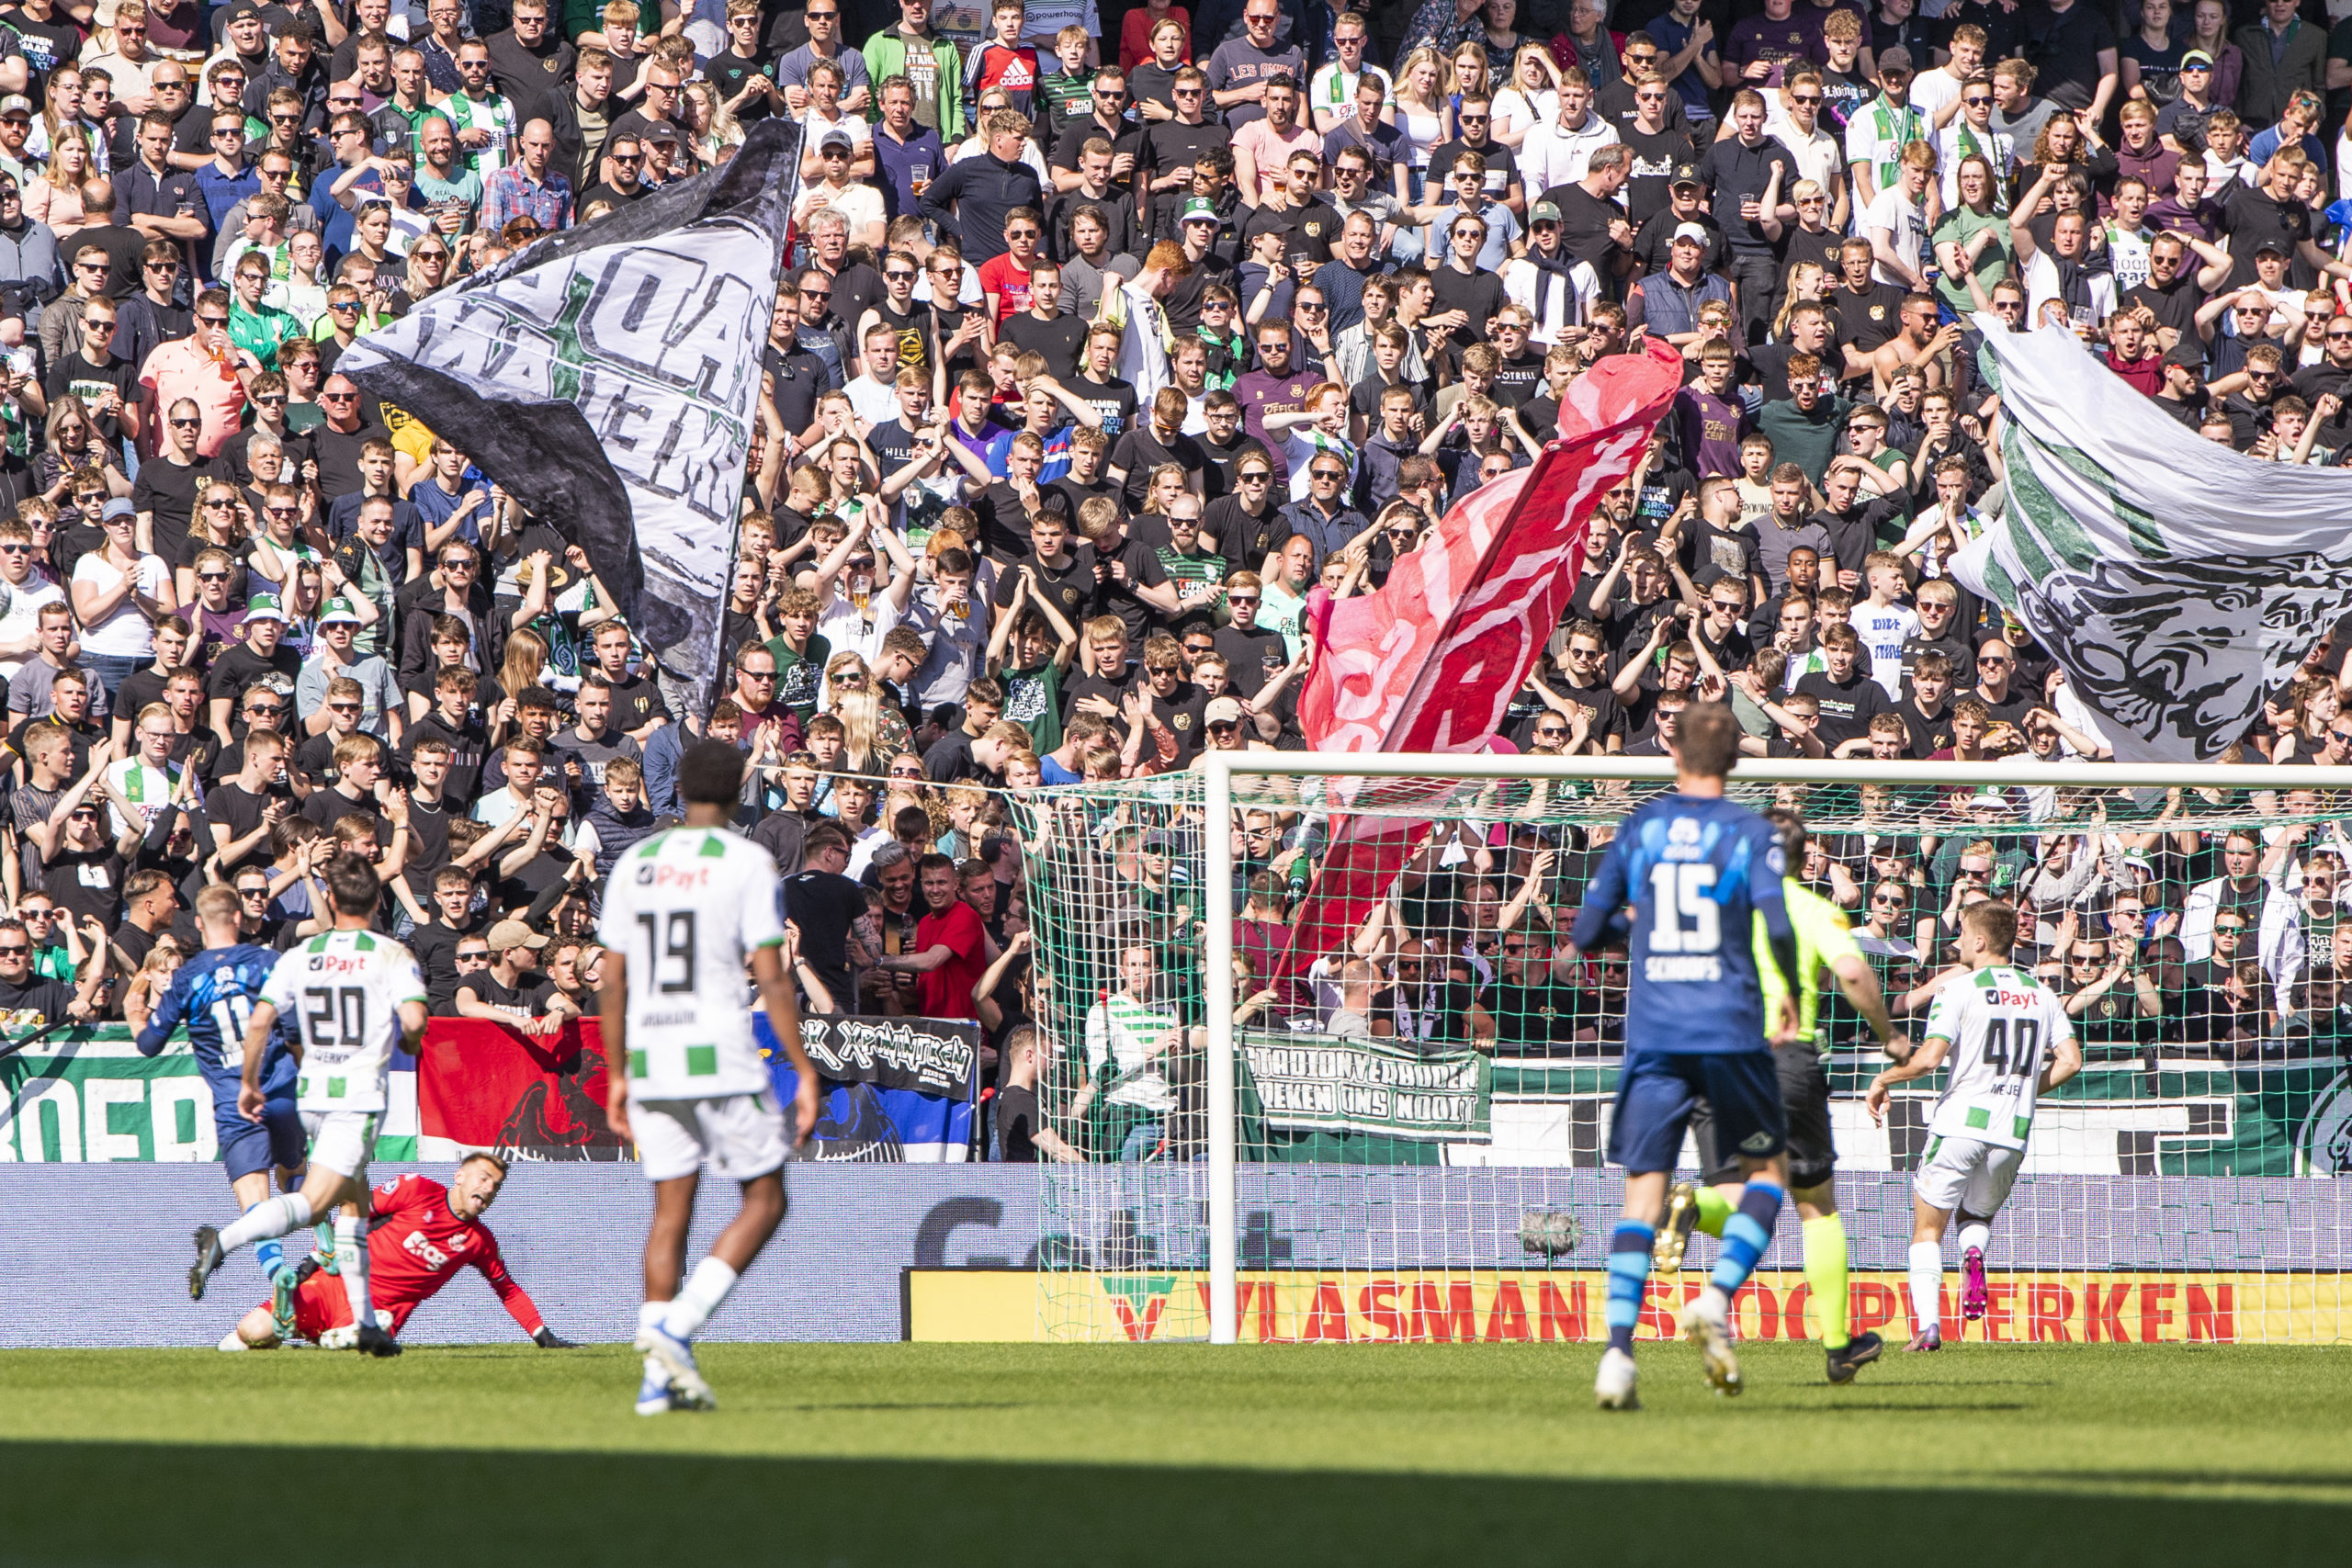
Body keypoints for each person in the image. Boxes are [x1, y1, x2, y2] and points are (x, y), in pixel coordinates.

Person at [1562, 701, 1801, 1409]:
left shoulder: (1642, 827)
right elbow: (1777, 919)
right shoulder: (1750, 831)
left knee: (1641, 1197)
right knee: (1769, 1173)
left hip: (1655, 1034)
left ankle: (1616, 1354)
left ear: (1675, 755)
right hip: (1729, 1028)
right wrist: (1783, 986)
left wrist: (1636, 931)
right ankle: (1717, 1293)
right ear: (1734, 762)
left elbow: (1583, 927)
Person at [599, 739, 820, 1416]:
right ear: (734, 794)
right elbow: (772, 974)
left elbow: (611, 978)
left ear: (681, 787)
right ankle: (674, 1324)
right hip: (718, 1049)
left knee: (671, 1212)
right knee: (765, 1198)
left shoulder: (636, 861)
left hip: (652, 1053)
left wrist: (615, 1071)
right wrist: (804, 1068)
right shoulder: (748, 860)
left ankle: (657, 1381)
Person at [1654, 808, 1909, 1385]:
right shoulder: (1815, 909)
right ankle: (1840, 1345)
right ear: (1803, 860)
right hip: (1781, 1059)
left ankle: (1693, 1204)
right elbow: (1853, 973)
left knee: (1741, 1198)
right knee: (1815, 1202)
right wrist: (1889, 1036)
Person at [187, 852, 431, 1360]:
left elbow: (260, 1022)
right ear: (378, 898)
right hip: (357, 1098)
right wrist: (408, 1039)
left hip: (309, 1092)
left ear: (333, 900)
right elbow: (412, 1022)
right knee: (317, 1203)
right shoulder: (391, 954)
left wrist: (250, 1082)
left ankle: (366, 1323)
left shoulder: (301, 956)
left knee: (354, 1202)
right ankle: (223, 1240)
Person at [1865, 899, 2083, 1350]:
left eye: (1963, 933)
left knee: (1927, 1229)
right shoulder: (2042, 994)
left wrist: (1883, 1079)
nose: (1958, 941)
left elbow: (1928, 1060)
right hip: (2012, 1132)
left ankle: (1928, 1327)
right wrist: (2024, 1090)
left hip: (1961, 1125)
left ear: (1980, 941)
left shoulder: (1959, 989)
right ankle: (1974, 1254)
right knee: (1976, 1215)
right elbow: (2071, 1061)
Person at [222, 1155, 577, 1351]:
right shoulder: (417, 1189)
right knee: (251, 1330)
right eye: (483, 1178)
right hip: (332, 1285)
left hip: (380, 1313)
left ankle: (346, 1334)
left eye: (495, 1186)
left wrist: (543, 1336)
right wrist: (313, 1262)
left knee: (375, 1331)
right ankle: (313, 1335)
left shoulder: (478, 1242)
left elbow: (508, 1290)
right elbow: (353, 1212)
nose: (488, 1189)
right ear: (459, 1176)